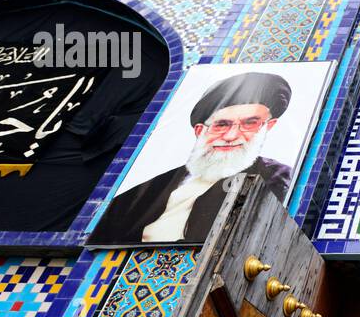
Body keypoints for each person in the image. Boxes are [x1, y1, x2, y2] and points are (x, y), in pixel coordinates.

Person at [89, 71, 294, 245]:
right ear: (200, 130)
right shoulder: (143, 193)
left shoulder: (279, 179)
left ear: (268, 126)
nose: (231, 136)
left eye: (250, 123)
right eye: (222, 124)